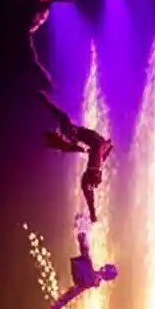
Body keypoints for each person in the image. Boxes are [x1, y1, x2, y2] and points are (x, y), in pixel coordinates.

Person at [41, 91, 113, 223]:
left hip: (76, 137)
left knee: (64, 123)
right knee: (65, 124)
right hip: (77, 137)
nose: (98, 183)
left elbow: (89, 194)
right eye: (97, 182)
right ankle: (46, 107)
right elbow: (89, 194)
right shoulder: (97, 162)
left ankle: (52, 134)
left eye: (95, 182)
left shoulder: (95, 162)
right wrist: (107, 146)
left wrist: (92, 212)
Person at [37, 225, 119, 309]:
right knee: (65, 299)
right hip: (82, 280)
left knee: (65, 299)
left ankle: (81, 232)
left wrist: (95, 280)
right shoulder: (98, 276)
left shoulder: (98, 277)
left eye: (107, 268)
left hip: (83, 278)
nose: (104, 267)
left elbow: (94, 278)